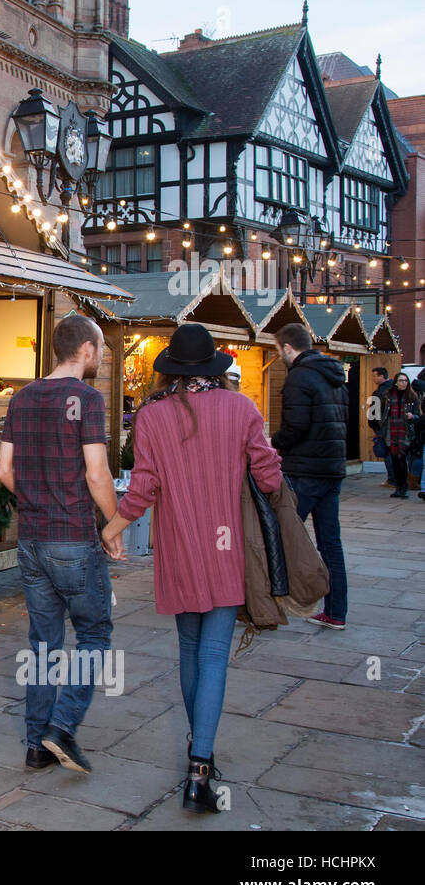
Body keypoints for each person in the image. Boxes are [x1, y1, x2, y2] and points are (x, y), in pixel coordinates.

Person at [101, 323, 283, 814]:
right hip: (227, 548)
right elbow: (268, 475)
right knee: (215, 654)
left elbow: (143, 487)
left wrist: (114, 527)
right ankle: (200, 766)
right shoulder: (242, 408)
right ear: (215, 368)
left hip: (178, 547)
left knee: (189, 648)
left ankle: (196, 744)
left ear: (171, 371)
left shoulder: (152, 417)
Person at [0, 315, 116, 774]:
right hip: (72, 537)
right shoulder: (87, 398)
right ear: (86, 349)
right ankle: (61, 728)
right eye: (101, 348)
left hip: (31, 538)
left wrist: (33, 500)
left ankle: (35, 744)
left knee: (44, 643)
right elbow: (96, 473)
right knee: (94, 634)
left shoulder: (22, 397)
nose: (101, 356)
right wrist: (116, 524)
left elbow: (4, 471)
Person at [269, 322, 349, 631]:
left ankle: (269, 608)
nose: (279, 356)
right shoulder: (334, 376)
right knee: (331, 542)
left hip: (304, 470)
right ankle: (336, 611)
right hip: (332, 469)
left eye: (278, 350)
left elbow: (296, 427)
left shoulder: (299, 378)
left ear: (288, 348)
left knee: (278, 537)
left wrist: (273, 442)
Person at [378, 372, 421, 499]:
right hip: (391, 430)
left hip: (405, 432)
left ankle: (404, 487)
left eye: (406, 381)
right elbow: (382, 413)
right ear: (396, 382)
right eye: (401, 380)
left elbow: (418, 416)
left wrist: (412, 416)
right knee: (394, 461)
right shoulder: (388, 396)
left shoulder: (412, 397)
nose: (404, 383)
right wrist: (381, 425)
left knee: (403, 460)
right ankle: (398, 487)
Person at [369, 366, 397, 488]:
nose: (373, 378)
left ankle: (392, 479)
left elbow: (373, 413)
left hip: (383, 426)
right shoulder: (396, 388)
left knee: (386, 453)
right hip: (397, 426)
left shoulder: (379, 392)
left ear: (382, 376)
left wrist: (374, 426)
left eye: (375, 376)